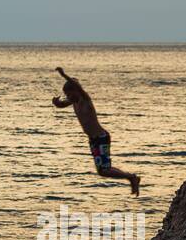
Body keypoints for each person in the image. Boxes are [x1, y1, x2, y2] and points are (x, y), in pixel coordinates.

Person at [52, 67, 140, 195]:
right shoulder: (73, 101)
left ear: (76, 91)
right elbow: (61, 105)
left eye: (70, 93)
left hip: (100, 138)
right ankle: (131, 177)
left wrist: (64, 75)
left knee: (104, 170)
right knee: (103, 170)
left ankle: (132, 177)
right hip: (94, 139)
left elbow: (78, 87)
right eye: (67, 94)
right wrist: (56, 103)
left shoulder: (85, 100)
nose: (68, 96)